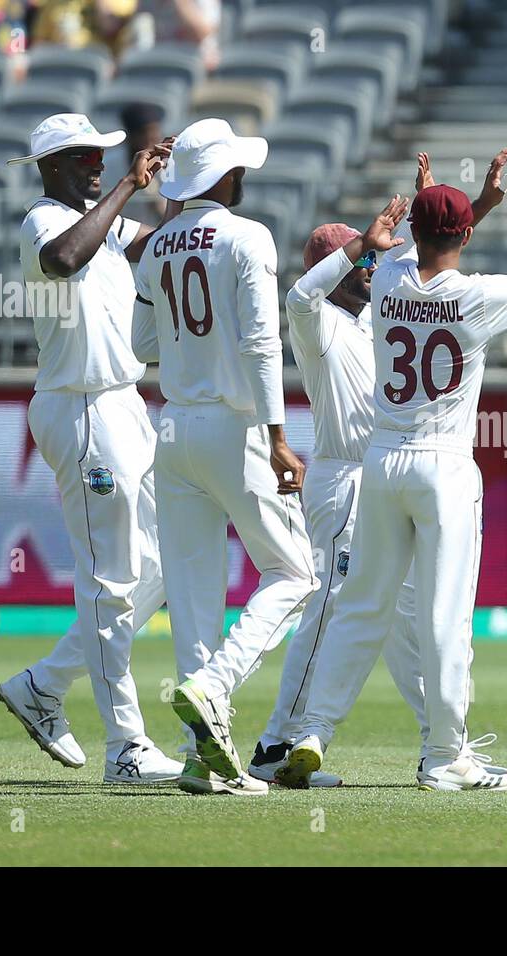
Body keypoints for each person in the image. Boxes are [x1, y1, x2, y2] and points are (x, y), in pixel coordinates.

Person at [276, 142, 507, 792]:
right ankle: (445, 757)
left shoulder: (386, 282)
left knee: (360, 608)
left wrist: (459, 205)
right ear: (464, 235)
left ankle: (313, 731)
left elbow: (418, 249)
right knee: (441, 617)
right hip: (443, 468)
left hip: (382, 464)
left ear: (410, 232)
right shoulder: (477, 297)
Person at [0, 113, 183, 785]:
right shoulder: (44, 222)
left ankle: (45, 684)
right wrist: (127, 189)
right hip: (79, 408)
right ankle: (126, 749)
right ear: (50, 168)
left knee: (157, 564)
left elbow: (166, 243)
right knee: (109, 582)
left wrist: (173, 182)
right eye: (82, 158)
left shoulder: (105, 219)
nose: (97, 165)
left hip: (125, 404)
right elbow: (65, 259)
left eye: (101, 156)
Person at [131, 118, 315, 796]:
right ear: (227, 177)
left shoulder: (155, 248)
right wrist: (275, 436)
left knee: (192, 595)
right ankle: (214, 687)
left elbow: (140, 342)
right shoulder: (249, 236)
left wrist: (190, 348)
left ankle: (198, 756)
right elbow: (264, 345)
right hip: (235, 427)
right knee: (295, 572)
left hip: (174, 426)